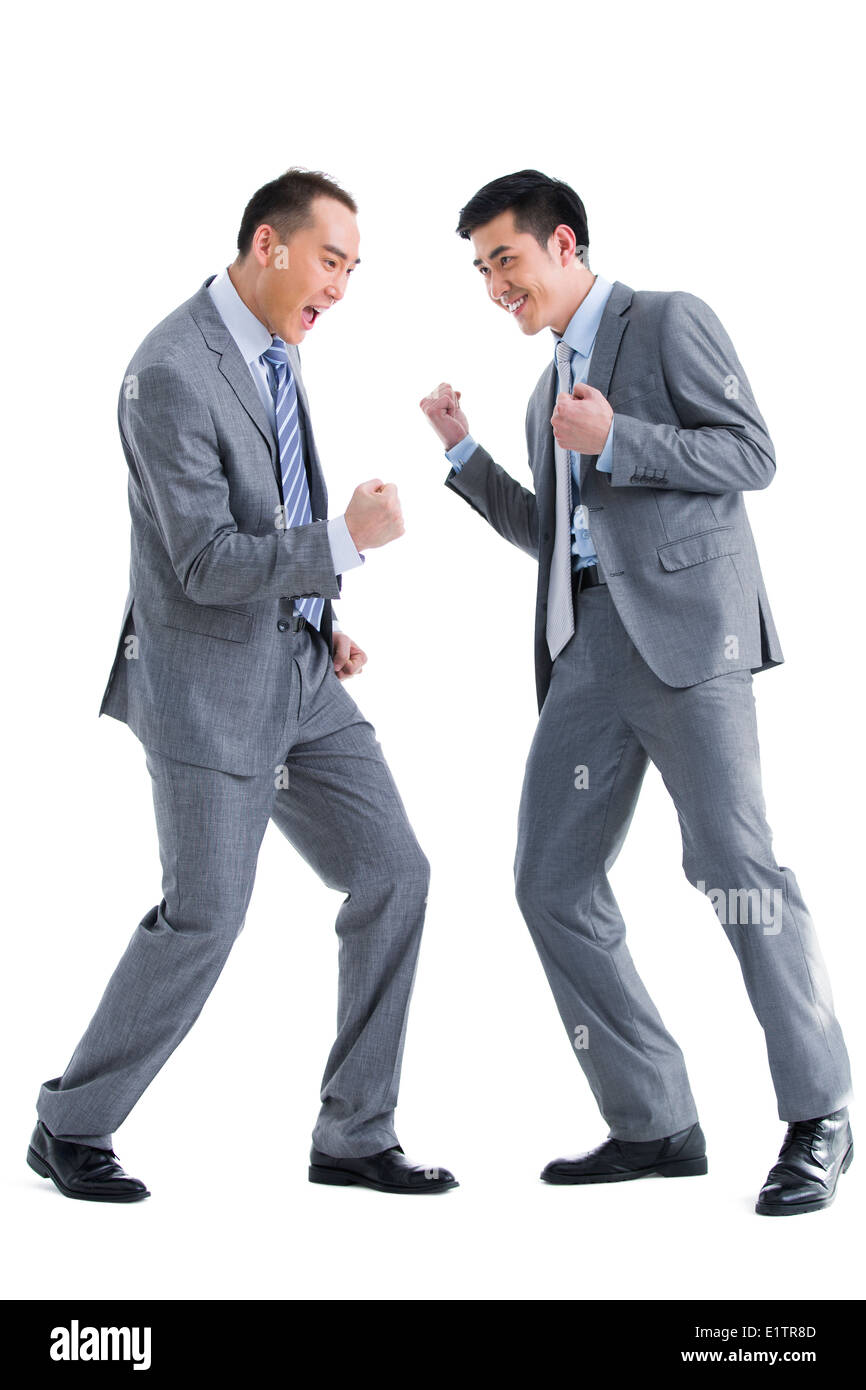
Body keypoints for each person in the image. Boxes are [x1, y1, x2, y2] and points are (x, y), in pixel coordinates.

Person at [420, 168, 851, 1216]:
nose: (493, 287)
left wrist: (619, 436)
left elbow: (749, 453)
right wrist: (463, 454)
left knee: (733, 869)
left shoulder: (664, 322)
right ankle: (653, 1117)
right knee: (548, 880)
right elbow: (553, 534)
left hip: (686, 640)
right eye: (480, 270)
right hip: (583, 653)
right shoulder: (539, 392)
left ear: (561, 244)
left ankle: (819, 1117)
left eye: (504, 260)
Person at [28, 167, 457, 1200]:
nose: (341, 288)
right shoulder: (171, 367)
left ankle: (355, 1133)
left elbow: (265, 521)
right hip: (206, 693)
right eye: (329, 261)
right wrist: (343, 545)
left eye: (353, 270)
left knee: (395, 871)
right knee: (206, 916)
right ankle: (69, 1123)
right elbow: (203, 560)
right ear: (268, 243)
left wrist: (321, 612)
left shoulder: (272, 349)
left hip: (300, 673)